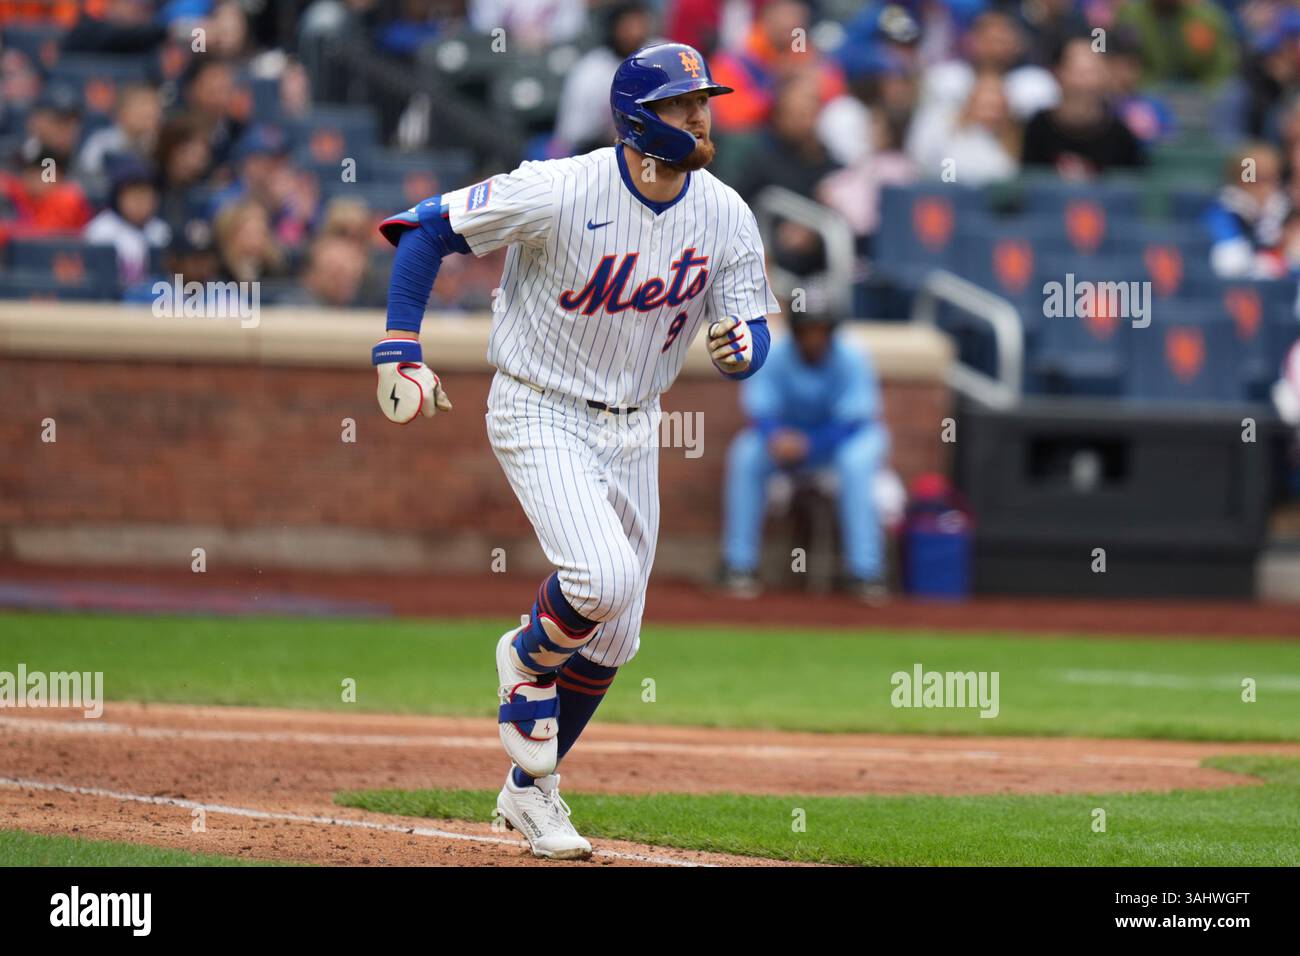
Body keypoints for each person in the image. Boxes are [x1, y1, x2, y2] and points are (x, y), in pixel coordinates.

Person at [372, 42, 778, 859]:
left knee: (617, 633)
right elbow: (424, 231)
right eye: (680, 104)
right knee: (602, 578)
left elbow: (751, 324)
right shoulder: (560, 187)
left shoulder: (725, 209)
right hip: (539, 404)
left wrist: (745, 346)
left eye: (703, 101)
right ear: (635, 120)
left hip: (635, 422)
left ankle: (530, 793)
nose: (700, 116)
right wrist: (398, 347)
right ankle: (524, 659)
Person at [719, 292, 891, 605]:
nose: (814, 337)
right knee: (746, 453)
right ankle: (738, 565)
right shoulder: (775, 353)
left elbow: (855, 421)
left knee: (857, 460)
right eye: (808, 329)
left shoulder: (852, 357)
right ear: (796, 330)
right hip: (786, 443)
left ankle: (866, 572)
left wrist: (810, 444)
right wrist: (775, 436)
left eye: (821, 329)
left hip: (840, 443)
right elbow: (759, 410)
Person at [1021, 35, 1146, 178]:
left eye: (1094, 71)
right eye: (1080, 72)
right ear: (1057, 73)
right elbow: (1027, 185)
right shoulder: (1038, 127)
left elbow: (1133, 189)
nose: (1088, 81)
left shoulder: (1120, 134)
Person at [1204, 142, 1289, 277]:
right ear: (1238, 180)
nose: (1262, 188)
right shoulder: (1224, 211)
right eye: (1254, 179)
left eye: (1268, 179)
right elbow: (1230, 259)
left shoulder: (1284, 211)